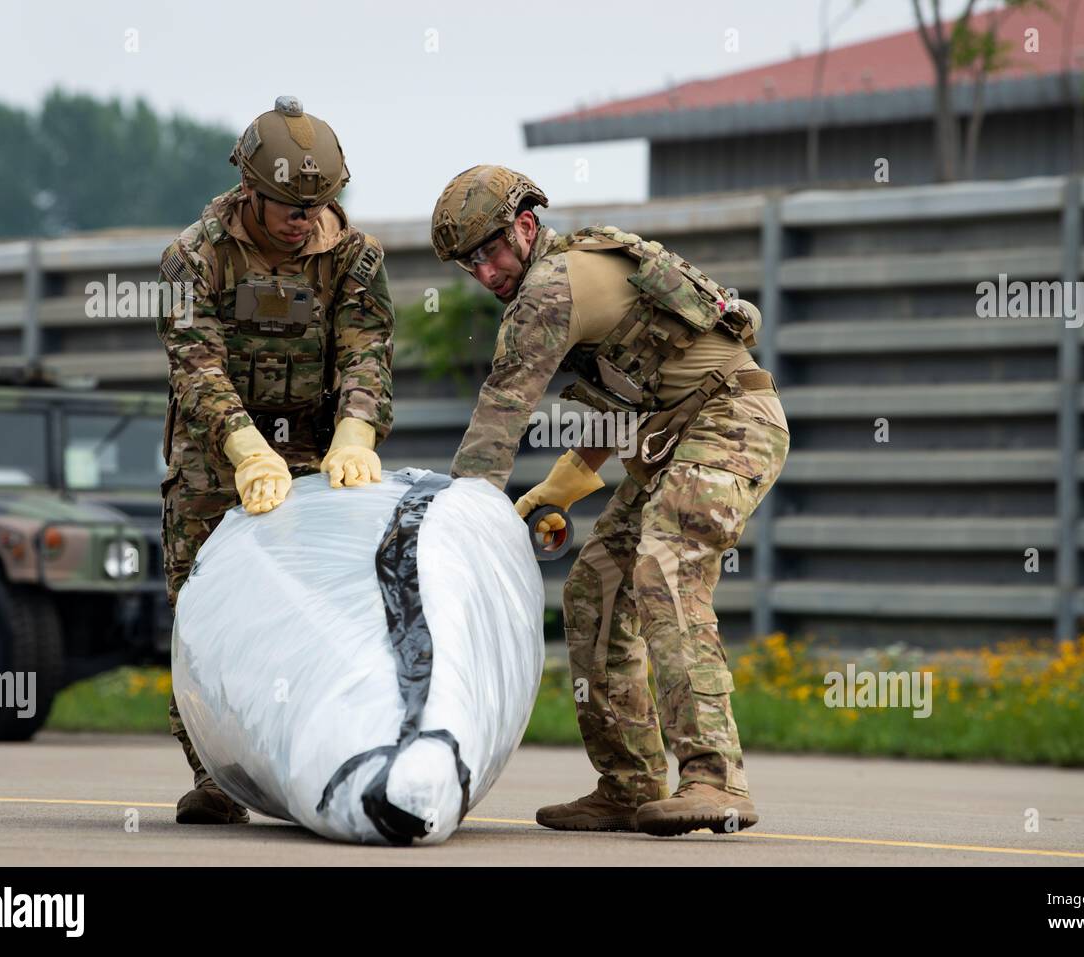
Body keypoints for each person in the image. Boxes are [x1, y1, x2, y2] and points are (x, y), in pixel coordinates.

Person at [430, 165, 789, 836]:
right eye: (468, 262)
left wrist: (459, 524)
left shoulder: (551, 290)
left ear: (527, 227)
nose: (484, 272)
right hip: (681, 433)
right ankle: (628, 783)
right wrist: (566, 482)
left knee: (665, 566)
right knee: (594, 586)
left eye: (491, 250)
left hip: (733, 422)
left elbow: (502, 411)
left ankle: (715, 776)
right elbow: (631, 394)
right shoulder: (567, 278)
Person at [156, 96, 394, 824]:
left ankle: (319, 755)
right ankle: (217, 772)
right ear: (250, 192)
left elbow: (367, 353)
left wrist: (356, 433)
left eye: (320, 202)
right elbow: (195, 364)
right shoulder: (194, 257)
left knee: (320, 613)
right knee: (203, 610)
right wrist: (242, 444)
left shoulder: (355, 258)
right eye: (290, 205)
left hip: (316, 455)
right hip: (214, 454)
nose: (305, 218)